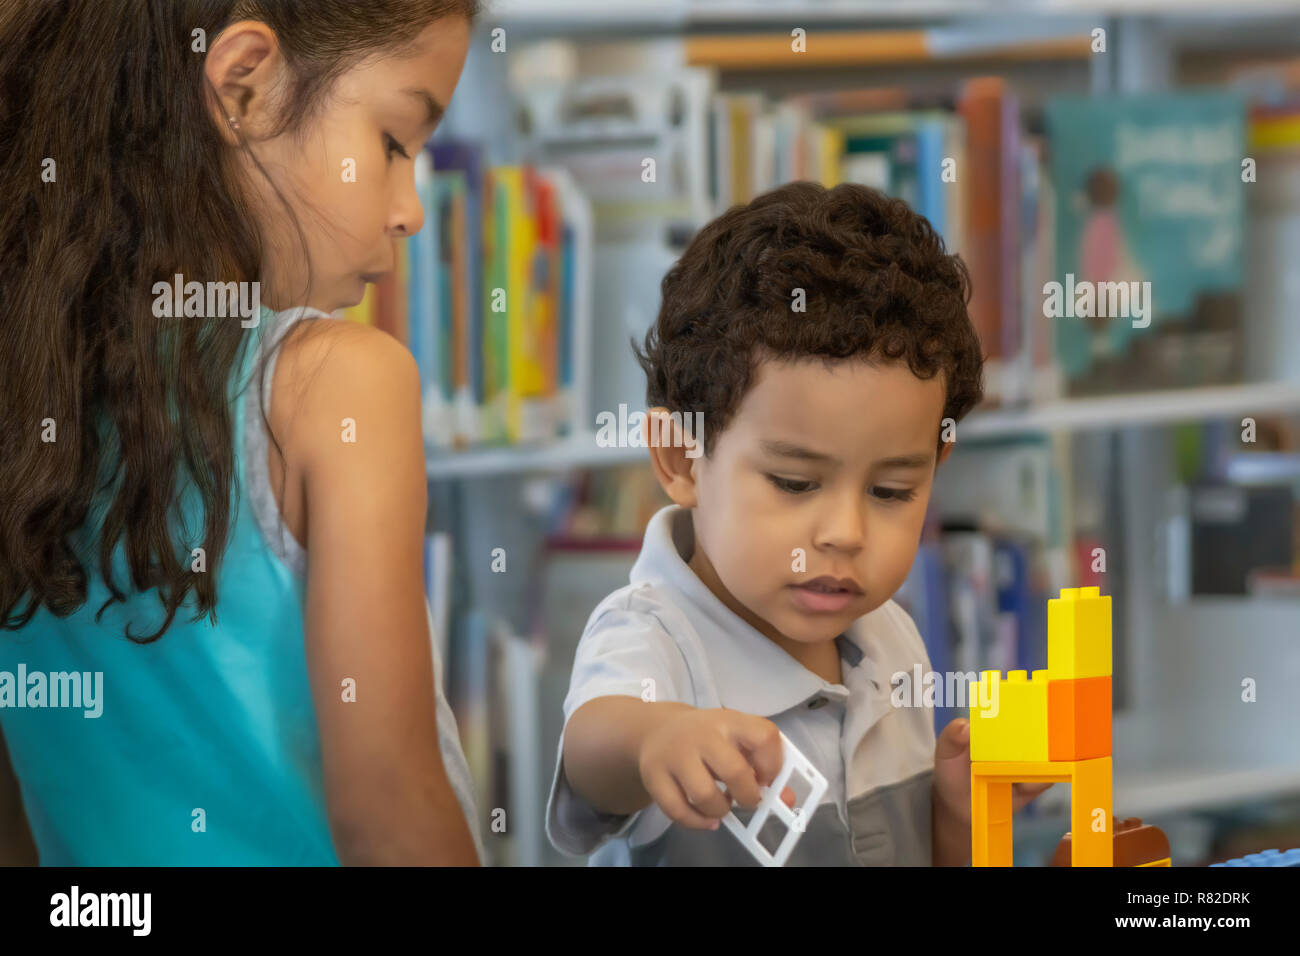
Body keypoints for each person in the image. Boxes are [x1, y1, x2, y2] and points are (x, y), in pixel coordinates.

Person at [0, 0, 483, 865]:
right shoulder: (339, 385)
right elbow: (391, 814)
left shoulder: (25, 389)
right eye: (395, 142)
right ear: (244, 87)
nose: (409, 209)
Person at [546, 181, 1051, 865]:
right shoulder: (655, 638)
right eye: (793, 482)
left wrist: (958, 813)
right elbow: (590, 748)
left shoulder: (892, 643)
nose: (845, 532)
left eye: (893, 490)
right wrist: (655, 739)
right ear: (682, 456)